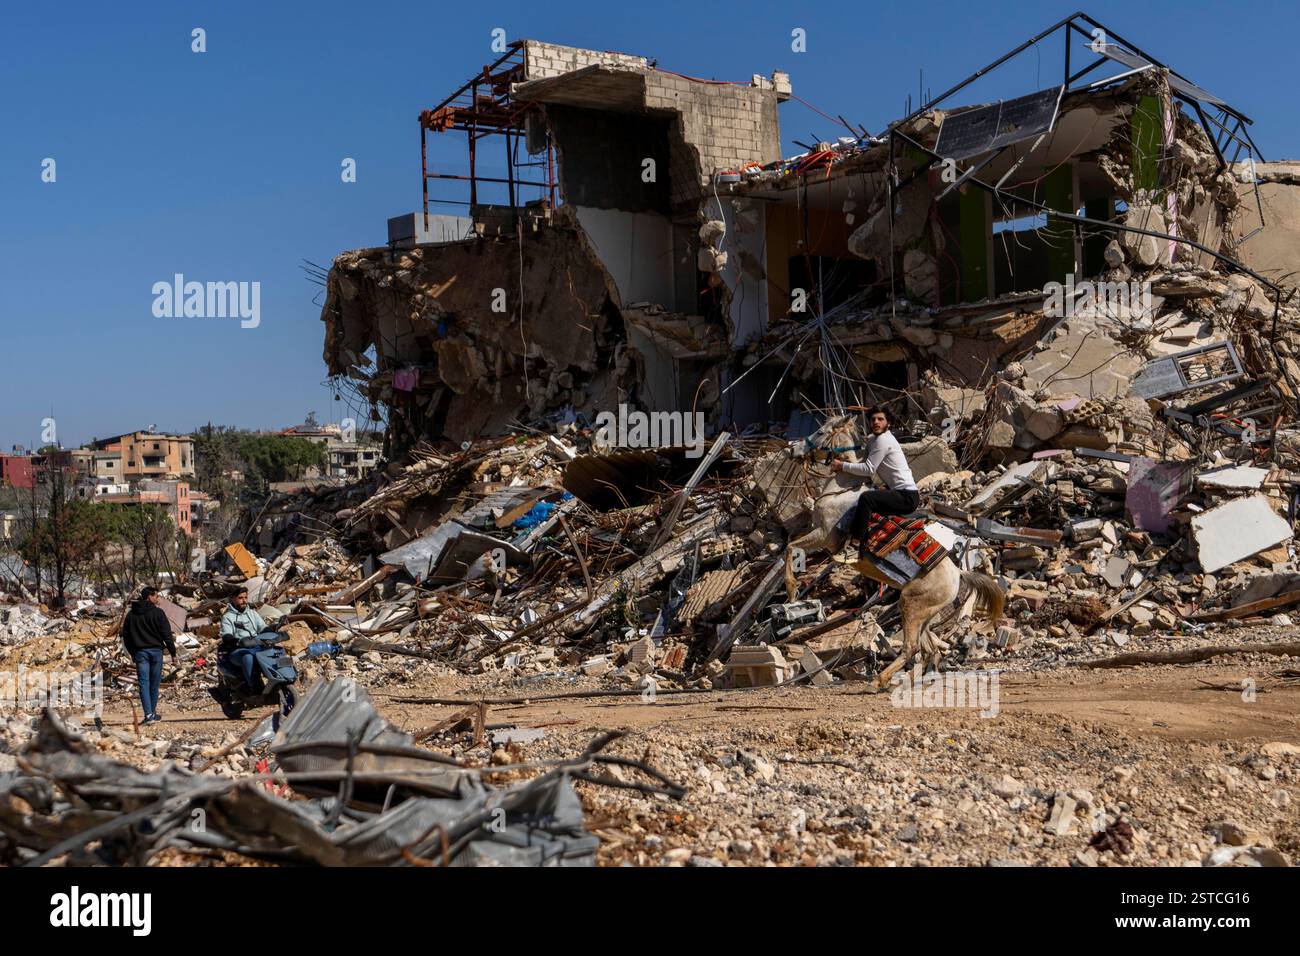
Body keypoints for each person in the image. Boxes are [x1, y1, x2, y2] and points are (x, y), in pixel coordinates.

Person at [832, 406, 921, 559]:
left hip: (907, 497)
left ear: (888, 423)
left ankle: (854, 545)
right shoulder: (875, 439)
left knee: (867, 498)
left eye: (880, 419)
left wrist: (842, 466)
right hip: (899, 492)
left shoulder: (883, 440)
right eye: (873, 419)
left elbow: (868, 469)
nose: (876, 422)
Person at [121, 586, 177, 724]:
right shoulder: (158, 613)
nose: (157, 599)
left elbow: (126, 636)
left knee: (144, 683)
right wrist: (173, 653)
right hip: (156, 652)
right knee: (154, 683)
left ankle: (149, 714)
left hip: (140, 653)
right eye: (156, 596)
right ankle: (151, 713)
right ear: (149, 597)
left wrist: (133, 652)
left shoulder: (131, 614)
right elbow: (167, 635)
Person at [219, 588, 278, 694]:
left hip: (256, 646)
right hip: (238, 650)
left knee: (274, 652)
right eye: (240, 598)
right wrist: (233, 639)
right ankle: (254, 688)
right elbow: (226, 634)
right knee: (248, 658)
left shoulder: (252, 613)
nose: (244, 601)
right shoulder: (228, 617)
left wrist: (274, 628)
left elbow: (263, 628)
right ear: (233, 599)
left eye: (246, 597)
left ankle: (276, 680)